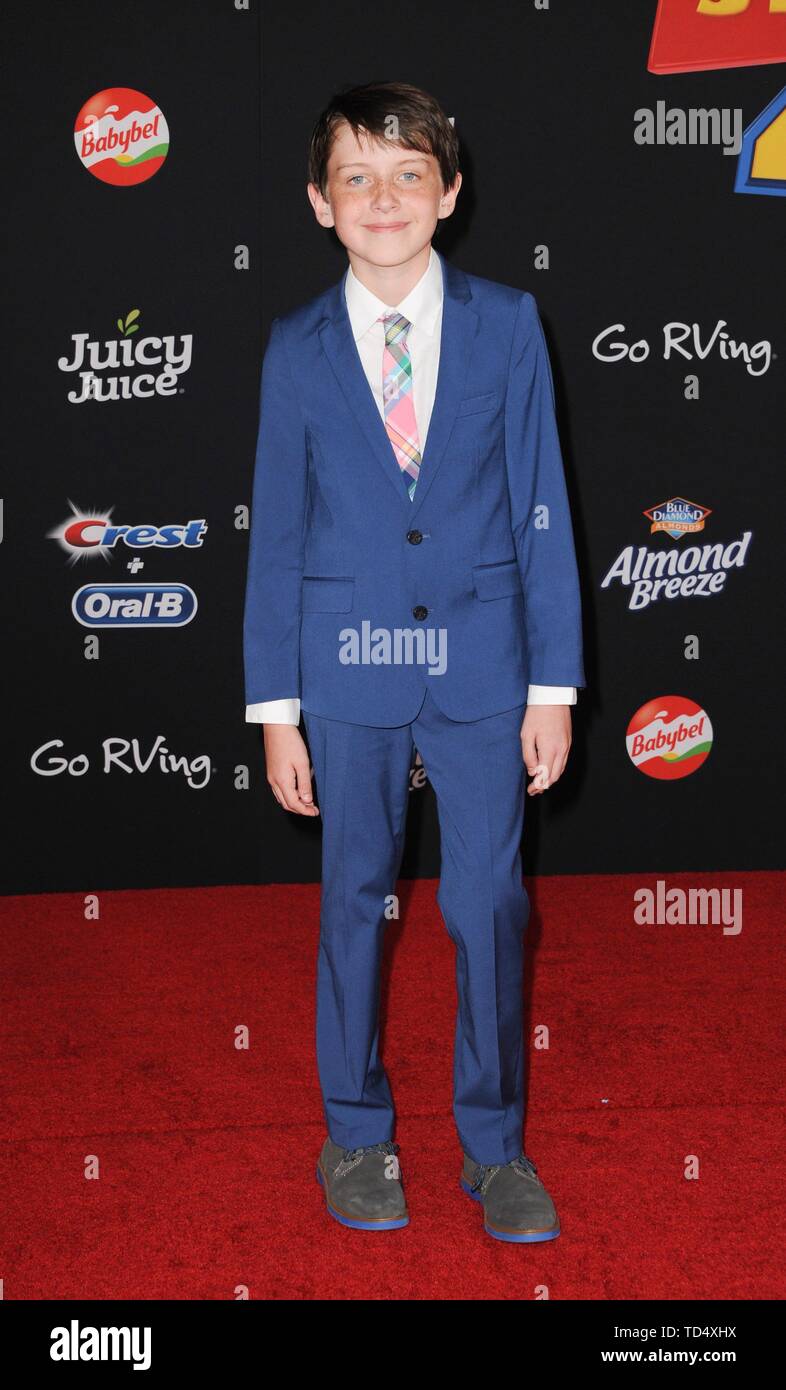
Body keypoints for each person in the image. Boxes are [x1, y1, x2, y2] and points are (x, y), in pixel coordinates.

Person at [243, 80, 585, 1242]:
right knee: (353, 901)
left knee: (490, 905)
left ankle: (494, 1151)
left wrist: (554, 685)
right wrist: (275, 709)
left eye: (406, 174)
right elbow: (277, 536)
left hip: (488, 665)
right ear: (319, 203)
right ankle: (356, 1133)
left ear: (447, 191)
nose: (382, 197)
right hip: (344, 670)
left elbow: (543, 502)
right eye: (356, 177)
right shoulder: (293, 349)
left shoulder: (509, 322)